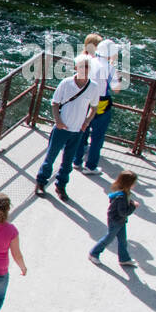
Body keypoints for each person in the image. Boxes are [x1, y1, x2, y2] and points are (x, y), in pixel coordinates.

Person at [34, 53, 100, 202]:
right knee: (51, 157)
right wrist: (58, 121)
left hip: (77, 130)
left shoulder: (93, 87)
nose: (84, 69)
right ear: (76, 67)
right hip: (62, 128)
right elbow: (55, 102)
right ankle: (41, 181)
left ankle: (61, 185)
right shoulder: (66, 83)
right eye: (82, 66)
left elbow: (94, 107)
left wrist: (87, 121)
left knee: (68, 160)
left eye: (87, 67)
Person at [74, 36, 121, 173]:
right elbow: (116, 89)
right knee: (97, 137)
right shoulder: (109, 68)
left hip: (86, 101)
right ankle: (90, 166)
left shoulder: (89, 62)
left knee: (82, 131)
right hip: (101, 105)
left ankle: (76, 161)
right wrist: (114, 68)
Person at [89, 170, 139, 267]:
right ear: (129, 184)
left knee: (123, 241)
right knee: (108, 238)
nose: (135, 184)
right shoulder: (122, 197)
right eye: (134, 182)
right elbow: (123, 212)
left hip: (119, 221)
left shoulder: (124, 193)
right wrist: (133, 206)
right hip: (116, 221)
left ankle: (124, 259)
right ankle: (93, 253)